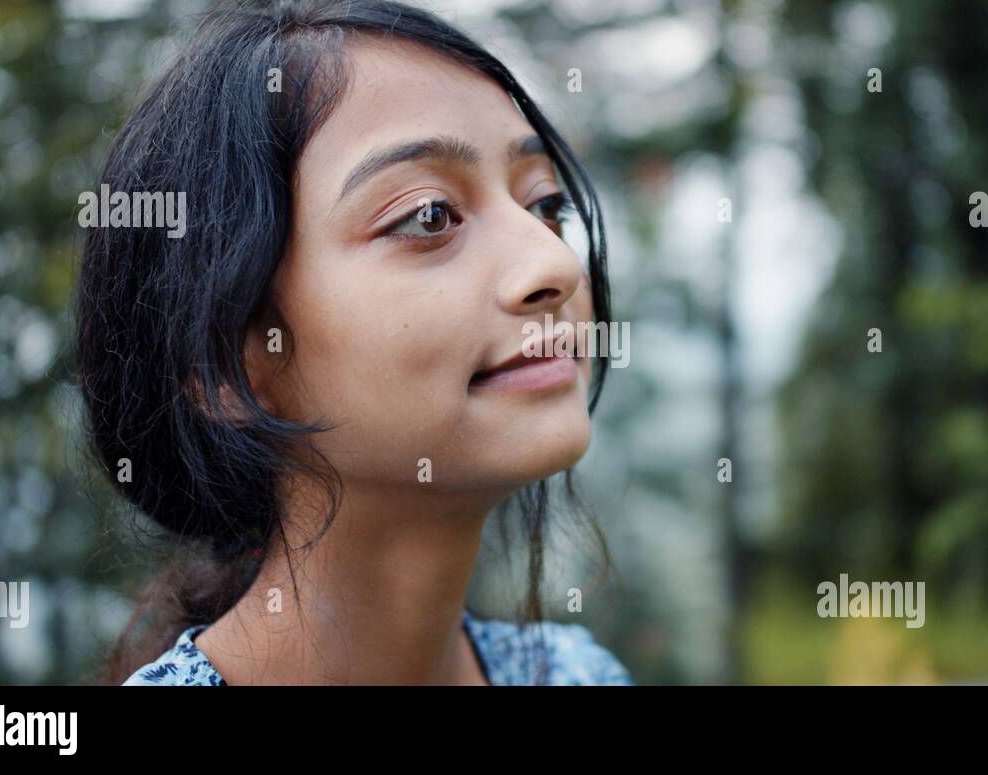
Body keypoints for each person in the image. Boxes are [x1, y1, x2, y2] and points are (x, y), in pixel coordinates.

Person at [74, 0, 631, 686]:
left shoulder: (580, 675)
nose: (554, 265)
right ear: (228, 362)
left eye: (546, 205)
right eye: (429, 216)